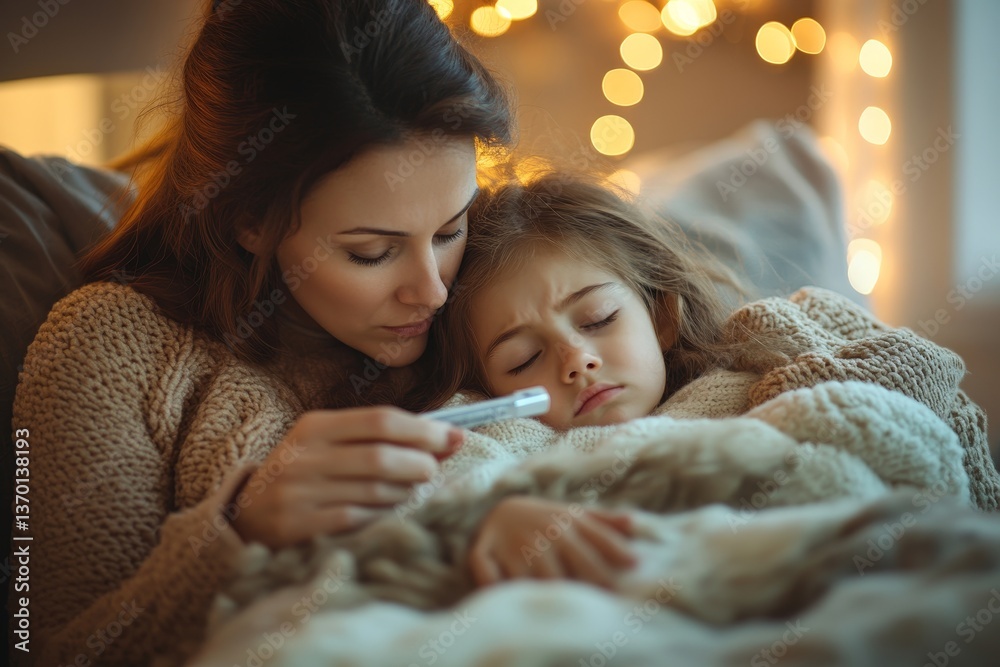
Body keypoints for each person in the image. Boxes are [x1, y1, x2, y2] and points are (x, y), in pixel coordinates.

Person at [10, 0, 512, 664]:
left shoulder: (505, 265)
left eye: (450, 227)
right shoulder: (107, 349)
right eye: (370, 252)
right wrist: (240, 533)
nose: (434, 289)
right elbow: (46, 649)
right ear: (248, 217)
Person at [429, 170, 779, 588]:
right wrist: (487, 513)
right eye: (524, 360)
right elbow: (438, 481)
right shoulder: (500, 436)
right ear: (485, 390)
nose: (576, 361)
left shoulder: (758, 377)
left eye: (599, 319)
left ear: (661, 316)